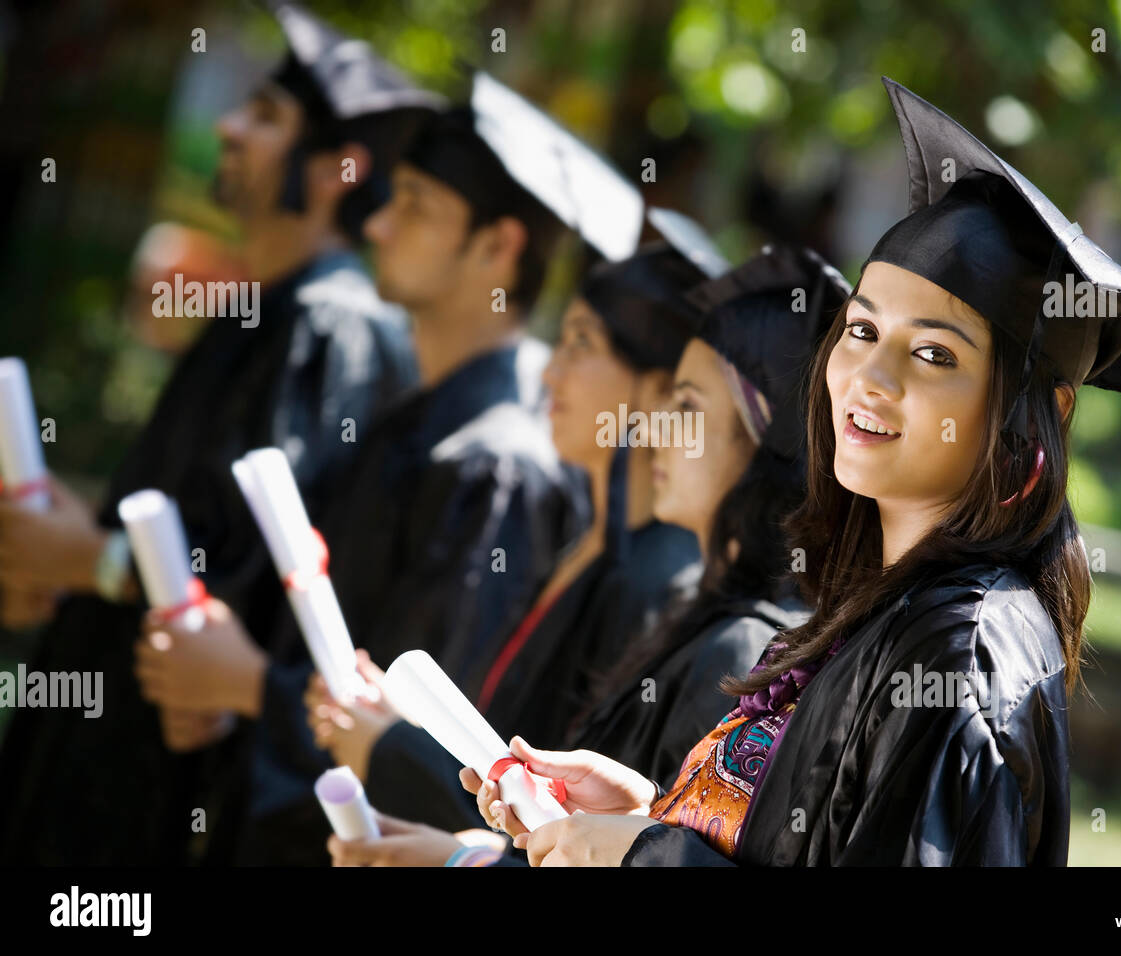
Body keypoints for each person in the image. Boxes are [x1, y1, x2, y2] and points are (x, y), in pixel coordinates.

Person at [463, 77, 1121, 867]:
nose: (869, 379)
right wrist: (655, 815)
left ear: (1040, 413)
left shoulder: (963, 654)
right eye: (860, 329)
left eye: (933, 353)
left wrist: (641, 859)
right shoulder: (881, 607)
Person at [134, 80, 643, 864]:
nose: (375, 222)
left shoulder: (496, 462)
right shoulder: (416, 415)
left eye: (414, 205)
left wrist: (249, 687)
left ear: (496, 248)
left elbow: (435, 744)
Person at [0, 2, 427, 865]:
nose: (229, 127)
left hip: (174, 789)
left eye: (266, 116)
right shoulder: (259, 310)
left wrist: (88, 558)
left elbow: (258, 574)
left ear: (341, 167)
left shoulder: (331, 329)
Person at [323, 243, 850, 866]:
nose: (654, 427)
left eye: (686, 406)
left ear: (767, 445)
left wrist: (464, 858)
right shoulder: (698, 608)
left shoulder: (745, 652)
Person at [306, 242, 706, 830]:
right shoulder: (584, 543)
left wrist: (389, 750)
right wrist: (406, 720)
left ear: (656, 390)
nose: (549, 371)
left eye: (582, 344)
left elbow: (559, 819)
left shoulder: (657, 588)